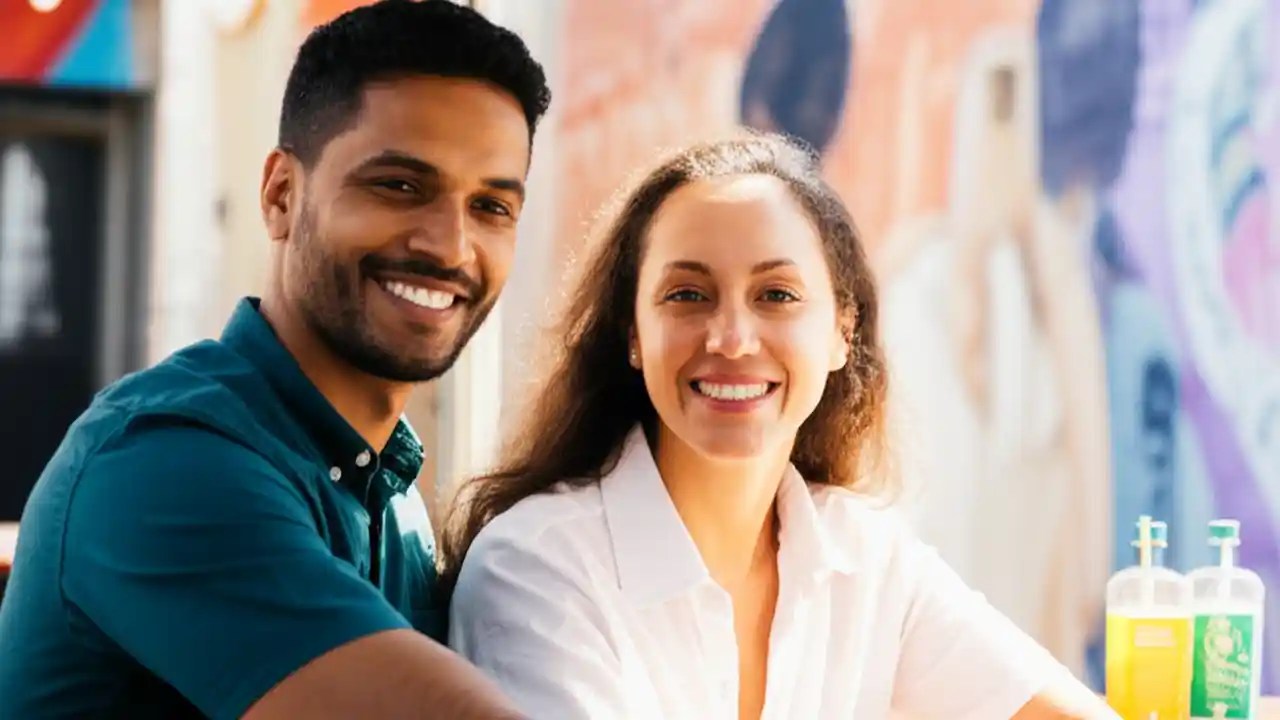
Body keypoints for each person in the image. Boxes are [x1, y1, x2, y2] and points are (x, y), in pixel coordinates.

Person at [442, 134, 1117, 719]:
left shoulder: (866, 558)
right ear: (633, 336)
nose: (733, 337)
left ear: (841, 332)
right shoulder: (538, 567)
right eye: (687, 295)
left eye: (777, 296)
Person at [0, 2, 549, 718]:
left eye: (491, 207)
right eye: (399, 186)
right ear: (281, 194)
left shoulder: (395, 501)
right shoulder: (163, 463)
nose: (449, 246)